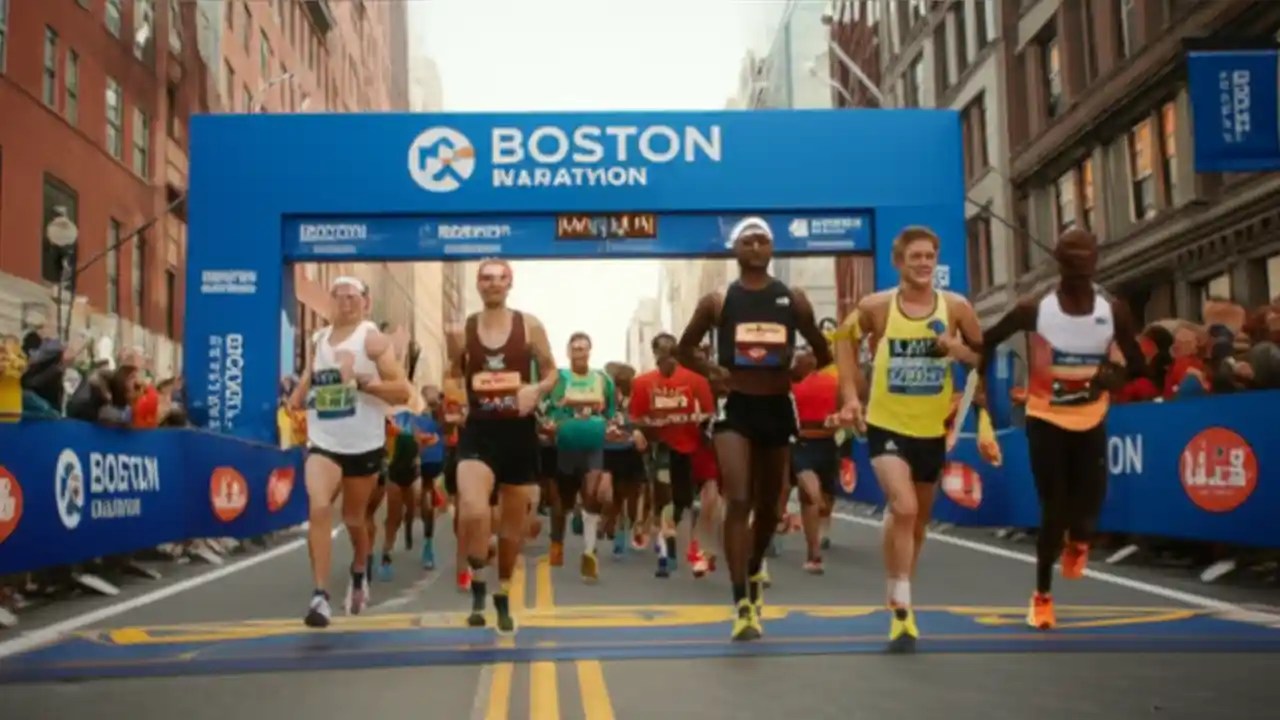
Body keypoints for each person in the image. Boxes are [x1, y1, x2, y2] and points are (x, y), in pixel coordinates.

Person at [979, 227, 1145, 631]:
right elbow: (987, 341)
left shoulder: (1114, 310)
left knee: (1090, 507)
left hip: (1090, 417)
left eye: (1084, 253)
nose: (1077, 259)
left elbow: (1138, 365)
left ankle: (1081, 540)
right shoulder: (1033, 309)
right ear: (1058, 259)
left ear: (1095, 259)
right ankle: (1042, 596)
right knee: (1054, 509)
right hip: (1045, 416)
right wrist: (981, 396)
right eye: (1069, 253)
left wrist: (1111, 376)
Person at [676, 216, 831, 641]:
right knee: (738, 495)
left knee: (771, 508)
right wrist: (711, 369)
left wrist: (806, 366)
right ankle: (742, 600)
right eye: (748, 240)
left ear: (772, 249)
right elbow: (683, 348)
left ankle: (753, 562)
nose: (756, 246)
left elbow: (822, 348)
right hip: (735, 405)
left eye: (763, 240)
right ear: (736, 250)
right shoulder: (718, 301)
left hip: (777, 405)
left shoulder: (792, 299)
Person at [834, 226, 987, 651]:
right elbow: (841, 339)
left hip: (931, 428)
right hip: (886, 423)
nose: (923, 264)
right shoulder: (877, 307)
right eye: (915, 257)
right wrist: (850, 396)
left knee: (917, 519)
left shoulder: (956, 307)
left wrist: (955, 350)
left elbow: (982, 357)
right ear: (899, 262)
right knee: (902, 506)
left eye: (930, 257)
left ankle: (900, 580)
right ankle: (902, 603)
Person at [290, 276, 412, 628]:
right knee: (319, 506)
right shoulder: (319, 338)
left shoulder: (371, 340)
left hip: (363, 444)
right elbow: (310, 375)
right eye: (338, 296)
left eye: (352, 297)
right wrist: (297, 397)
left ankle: (360, 568)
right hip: (323, 439)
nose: (345, 303)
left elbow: (402, 391)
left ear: (365, 303)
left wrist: (361, 381)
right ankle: (320, 595)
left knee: (356, 519)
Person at [448, 259, 558, 634]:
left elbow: (552, 372)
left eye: (500, 278)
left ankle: (502, 592)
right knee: (475, 511)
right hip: (478, 432)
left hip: (518, 434)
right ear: (478, 285)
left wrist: (535, 390)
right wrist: (455, 401)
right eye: (486, 278)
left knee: (512, 532)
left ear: (510, 284)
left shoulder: (529, 326)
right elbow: (452, 373)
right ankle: (478, 576)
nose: (493, 284)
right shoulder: (465, 329)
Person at [630, 333, 714, 579]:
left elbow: (709, 413)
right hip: (662, 447)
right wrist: (642, 428)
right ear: (654, 354)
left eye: (669, 354)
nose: (665, 360)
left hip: (692, 447)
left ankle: (689, 547)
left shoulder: (695, 381)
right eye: (660, 354)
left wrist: (696, 418)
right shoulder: (643, 383)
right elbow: (635, 416)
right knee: (665, 500)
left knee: (686, 504)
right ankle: (666, 555)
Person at [546, 332, 616, 582]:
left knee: (591, 498)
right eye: (575, 349)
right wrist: (550, 424)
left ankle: (589, 553)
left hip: (593, 445)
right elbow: (545, 409)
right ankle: (557, 542)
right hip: (564, 446)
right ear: (568, 352)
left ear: (590, 351)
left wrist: (611, 427)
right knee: (562, 503)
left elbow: (611, 413)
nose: (580, 353)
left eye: (584, 349)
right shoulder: (559, 379)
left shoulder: (602, 379)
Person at [789, 346, 841, 574]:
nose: (796, 365)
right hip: (803, 444)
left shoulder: (832, 382)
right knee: (809, 497)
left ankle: (820, 501)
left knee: (822, 500)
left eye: (800, 361)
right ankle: (813, 554)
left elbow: (845, 408)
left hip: (824, 444)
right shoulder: (787, 386)